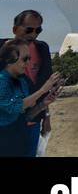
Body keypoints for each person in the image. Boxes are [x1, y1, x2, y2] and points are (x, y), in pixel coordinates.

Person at [0, 39, 62, 156]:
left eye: (29, 58)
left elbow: (26, 116)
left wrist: (43, 104)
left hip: (19, 141)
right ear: (9, 60)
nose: (28, 63)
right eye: (25, 59)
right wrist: (43, 90)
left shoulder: (21, 81)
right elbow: (14, 107)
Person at [8, 11, 54, 153]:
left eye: (38, 30)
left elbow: (44, 86)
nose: (33, 34)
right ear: (15, 29)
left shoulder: (42, 49)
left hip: (34, 120)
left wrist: (46, 117)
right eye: (28, 29)